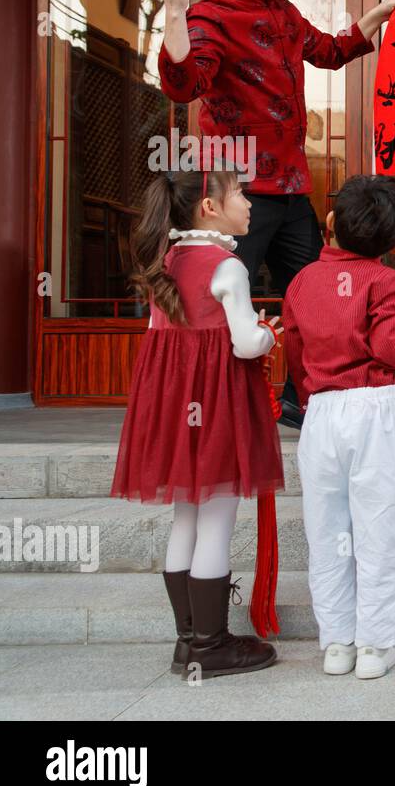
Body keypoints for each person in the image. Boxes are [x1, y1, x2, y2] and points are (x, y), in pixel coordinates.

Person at [153, 0, 395, 429]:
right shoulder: (209, 19)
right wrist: (175, 12)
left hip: (292, 187)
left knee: (311, 293)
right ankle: (214, 406)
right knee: (222, 299)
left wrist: (376, 17)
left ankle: (299, 399)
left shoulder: (286, 15)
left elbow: (332, 50)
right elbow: (184, 84)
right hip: (236, 193)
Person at [110, 165, 282, 680]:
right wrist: (271, 334)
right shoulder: (227, 267)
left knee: (186, 514)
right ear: (209, 207)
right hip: (219, 402)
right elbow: (244, 343)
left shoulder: (168, 261)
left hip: (174, 406)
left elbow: (159, 337)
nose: (249, 203)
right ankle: (212, 645)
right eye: (240, 195)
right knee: (217, 517)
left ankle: (188, 641)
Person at [283, 174, 395, 680]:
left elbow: (295, 354)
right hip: (374, 409)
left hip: (321, 412)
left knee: (327, 531)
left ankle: (337, 644)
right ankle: (375, 646)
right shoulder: (386, 281)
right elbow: (390, 346)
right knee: (378, 528)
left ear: (329, 224)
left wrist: (311, 398)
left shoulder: (301, 282)